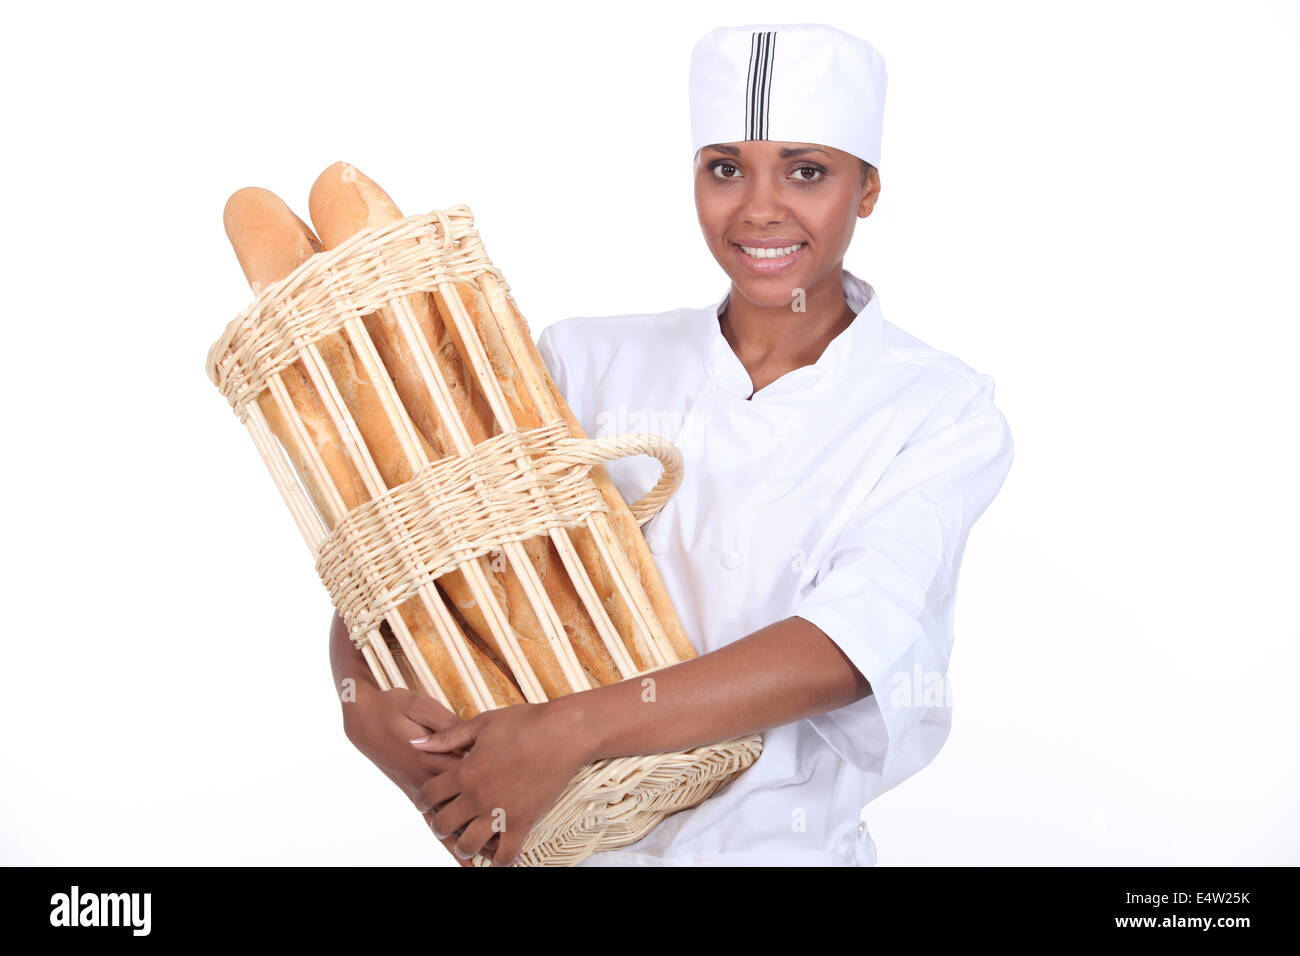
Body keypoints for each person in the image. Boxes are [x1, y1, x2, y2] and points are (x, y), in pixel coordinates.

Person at [329, 22, 1014, 867]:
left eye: (808, 171)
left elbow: (841, 648)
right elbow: (419, 549)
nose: (760, 207)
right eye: (725, 168)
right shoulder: (581, 361)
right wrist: (361, 694)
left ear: (868, 189)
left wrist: (567, 733)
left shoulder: (936, 409)